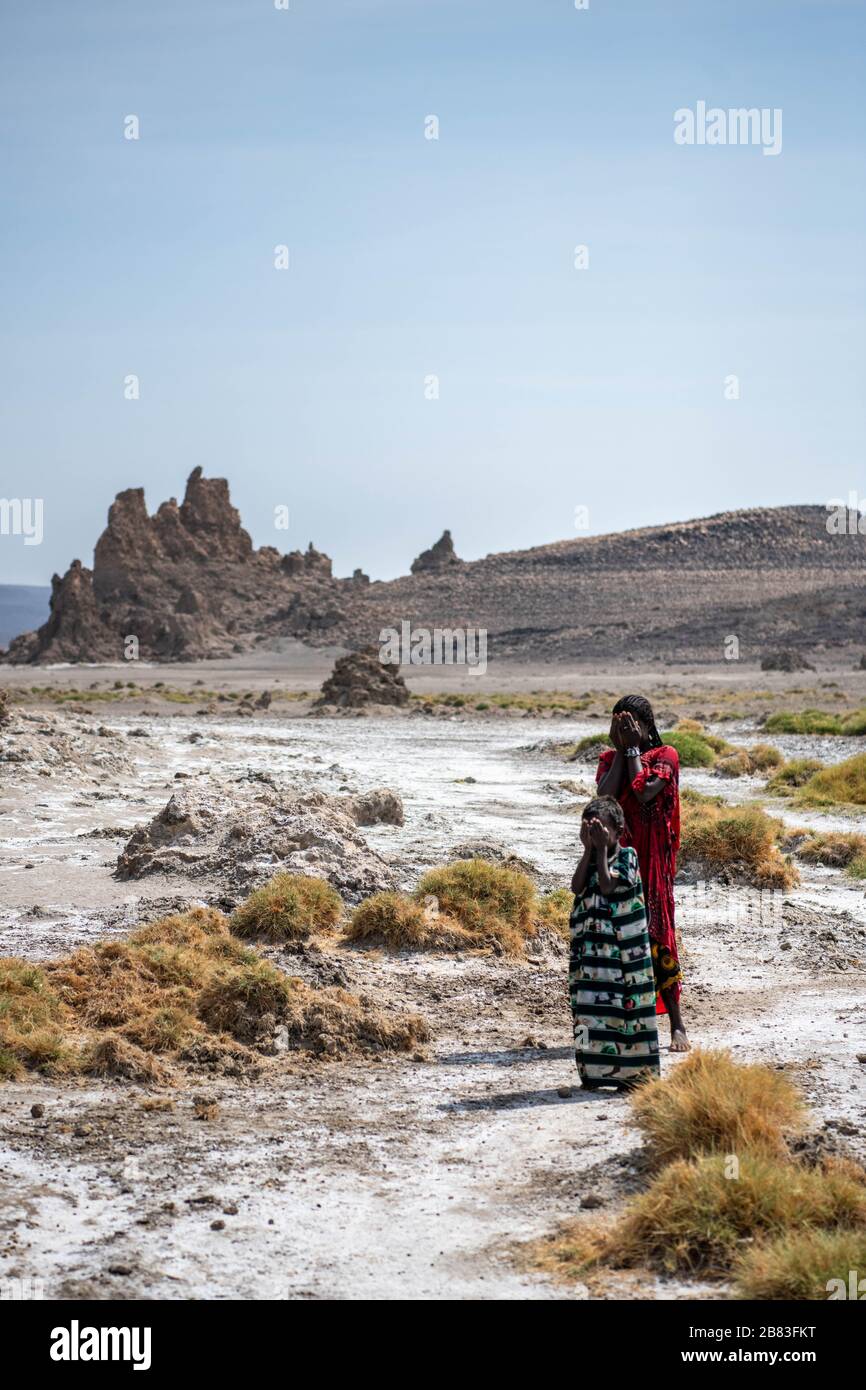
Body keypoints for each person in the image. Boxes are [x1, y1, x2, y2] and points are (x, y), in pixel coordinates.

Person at [596, 694, 689, 1052]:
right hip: (619, 861)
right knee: (619, 936)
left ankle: (677, 1023)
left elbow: (645, 793)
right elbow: (605, 798)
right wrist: (622, 750)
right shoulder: (609, 760)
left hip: (652, 864)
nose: (624, 731)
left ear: (648, 727)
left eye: (631, 724)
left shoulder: (666, 756)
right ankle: (623, 1020)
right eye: (618, 725)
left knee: (657, 934)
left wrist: (634, 750)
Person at [568, 795, 660, 1089]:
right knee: (584, 1014)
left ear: (618, 832)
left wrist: (601, 853)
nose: (596, 836)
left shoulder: (627, 856)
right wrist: (588, 851)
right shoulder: (591, 859)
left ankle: (631, 1075)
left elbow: (608, 887)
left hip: (621, 961)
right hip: (588, 960)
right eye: (590, 831)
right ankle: (587, 1070)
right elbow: (576, 886)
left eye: (601, 831)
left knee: (624, 1013)